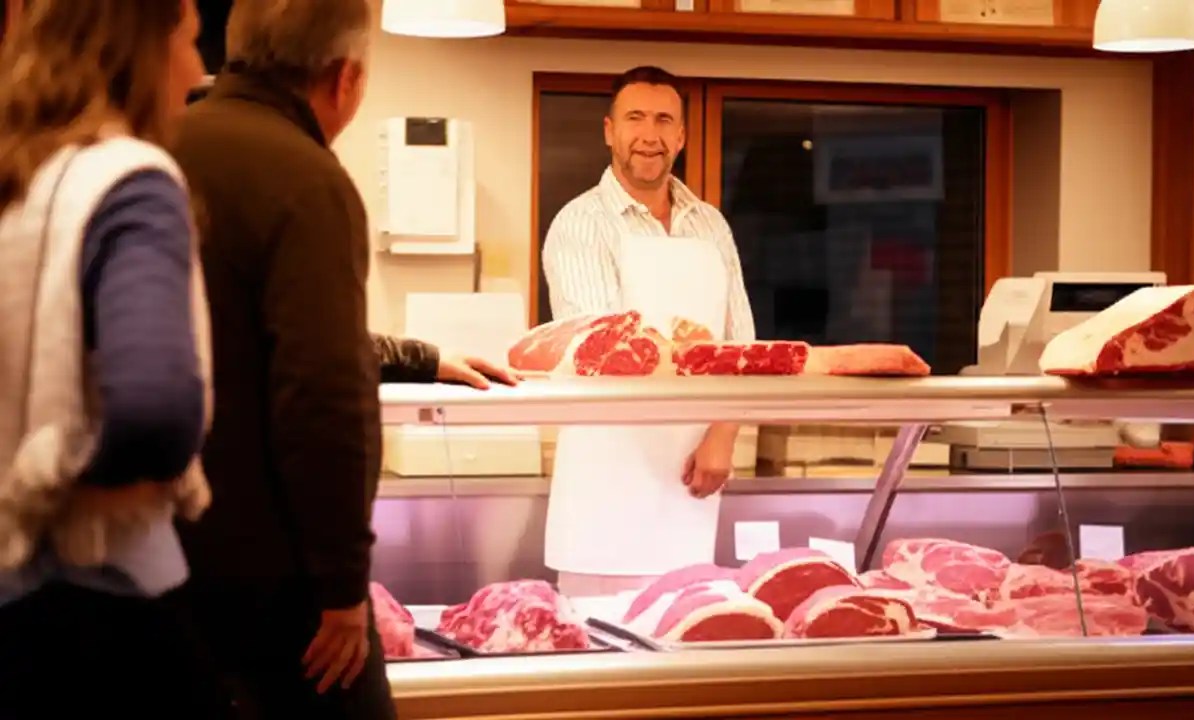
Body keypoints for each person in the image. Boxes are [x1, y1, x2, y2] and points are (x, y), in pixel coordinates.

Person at [170, 1, 515, 716]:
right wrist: (340, 589)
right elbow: (322, 398)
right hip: (276, 592)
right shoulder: (308, 179)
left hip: (167, 572)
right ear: (346, 79)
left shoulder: (159, 146)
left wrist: (421, 357)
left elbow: (242, 331)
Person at [0, 0, 227, 717]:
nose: (197, 71)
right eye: (188, 42)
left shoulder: (17, 179)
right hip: (109, 619)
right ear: (140, 46)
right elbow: (156, 410)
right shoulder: (131, 180)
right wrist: (62, 489)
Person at [541, 66, 756, 597]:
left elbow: (744, 347)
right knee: (604, 651)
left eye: (664, 120)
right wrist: (694, 351)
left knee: (686, 633)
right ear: (610, 130)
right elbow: (605, 350)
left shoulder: (710, 223)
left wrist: (721, 435)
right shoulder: (580, 223)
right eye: (635, 118)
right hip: (609, 478)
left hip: (694, 478)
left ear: (681, 137)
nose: (650, 134)